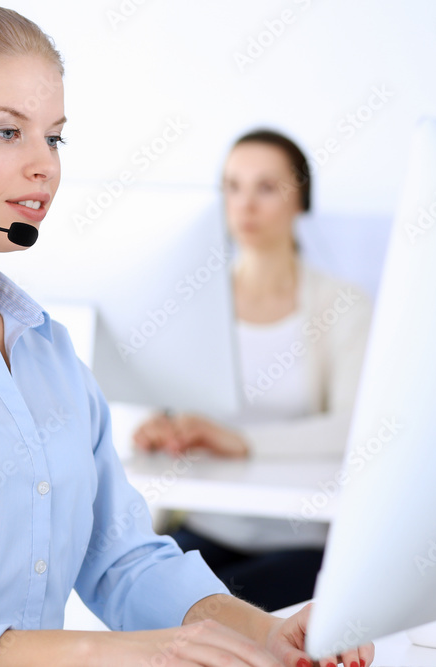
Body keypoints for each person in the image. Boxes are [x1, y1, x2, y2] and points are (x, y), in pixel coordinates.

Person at [0, 6, 374, 666]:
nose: (42, 165)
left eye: (53, 138)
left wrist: (261, 630)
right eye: (6, 131)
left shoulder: (47, 352)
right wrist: (123, 651)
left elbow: (122, 559)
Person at [133, 130, 374, 612]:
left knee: (218, 614)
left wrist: (244, 442)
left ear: (300, 200)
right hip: (206, 525)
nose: (245, 205)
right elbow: (159, 403)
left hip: (301, 539)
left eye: (266, 188)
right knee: (143, 601)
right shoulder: (190, 300)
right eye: (233, 186)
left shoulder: (343, 304)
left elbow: (355, 428)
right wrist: (157, 428)